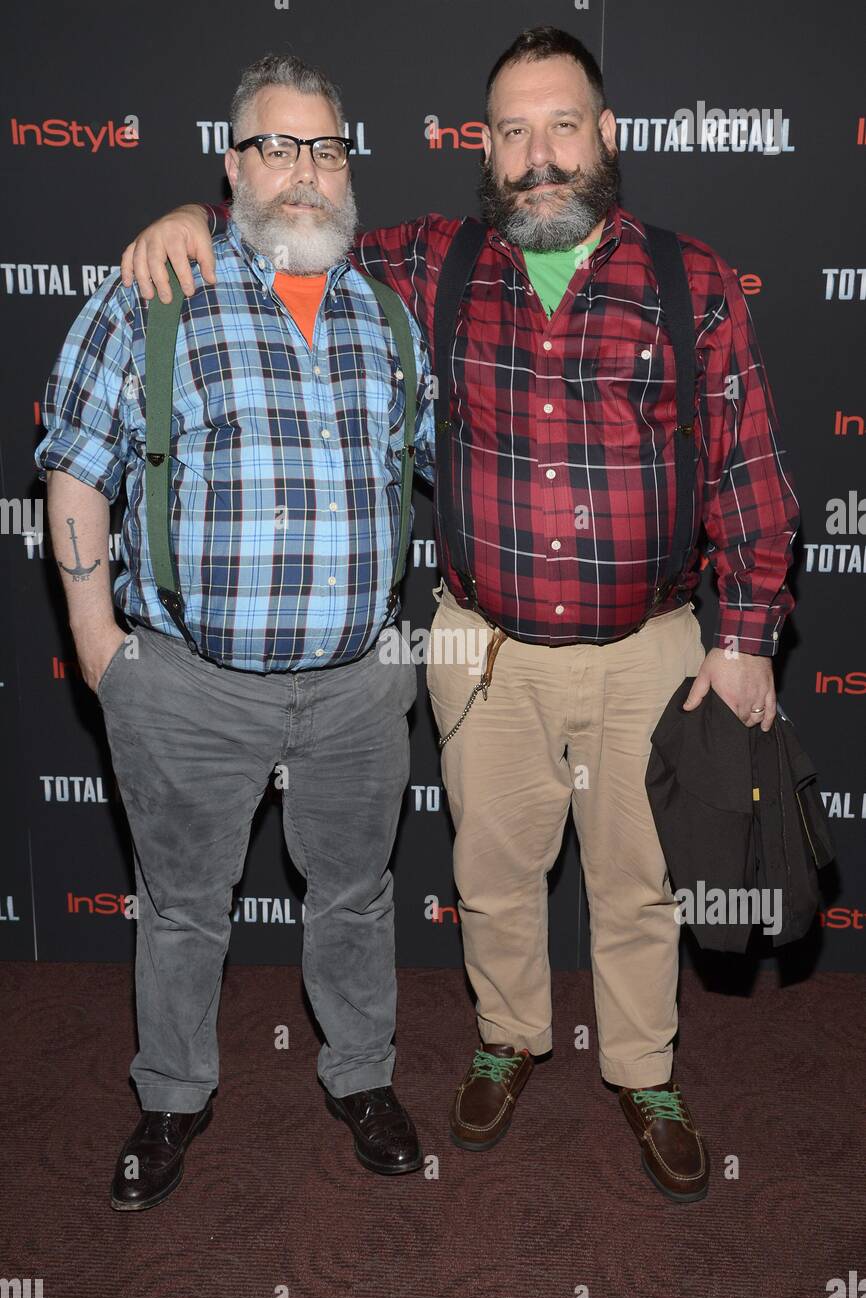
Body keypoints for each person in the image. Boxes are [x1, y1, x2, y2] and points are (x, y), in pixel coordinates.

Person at [118, 26, 800, 1203]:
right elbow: (290, 216)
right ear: (481, 148)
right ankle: (510, 1036)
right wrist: (191, 213)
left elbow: (747, 467)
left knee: (636, 884)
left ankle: (642, 1070)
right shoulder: (427, 262)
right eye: (512, 132)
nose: (538, 155)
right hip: (478, 642)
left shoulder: (692, 282)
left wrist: (744, 637)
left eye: (562, 125)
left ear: (608, 136)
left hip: (650, 646)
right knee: (491, 872)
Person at [35, 53, 436, 1209]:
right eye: (276, 146)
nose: (302, 172)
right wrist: (98, 642)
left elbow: (430, 468)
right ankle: (170, 1096)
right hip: (187, 685)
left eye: (323, 148)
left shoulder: (387, 320)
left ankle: (360, 1077)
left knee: (355, 898)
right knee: (179, 908)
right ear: (231, 164)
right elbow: (75, 469)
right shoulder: (160, 287)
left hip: (358, 687)